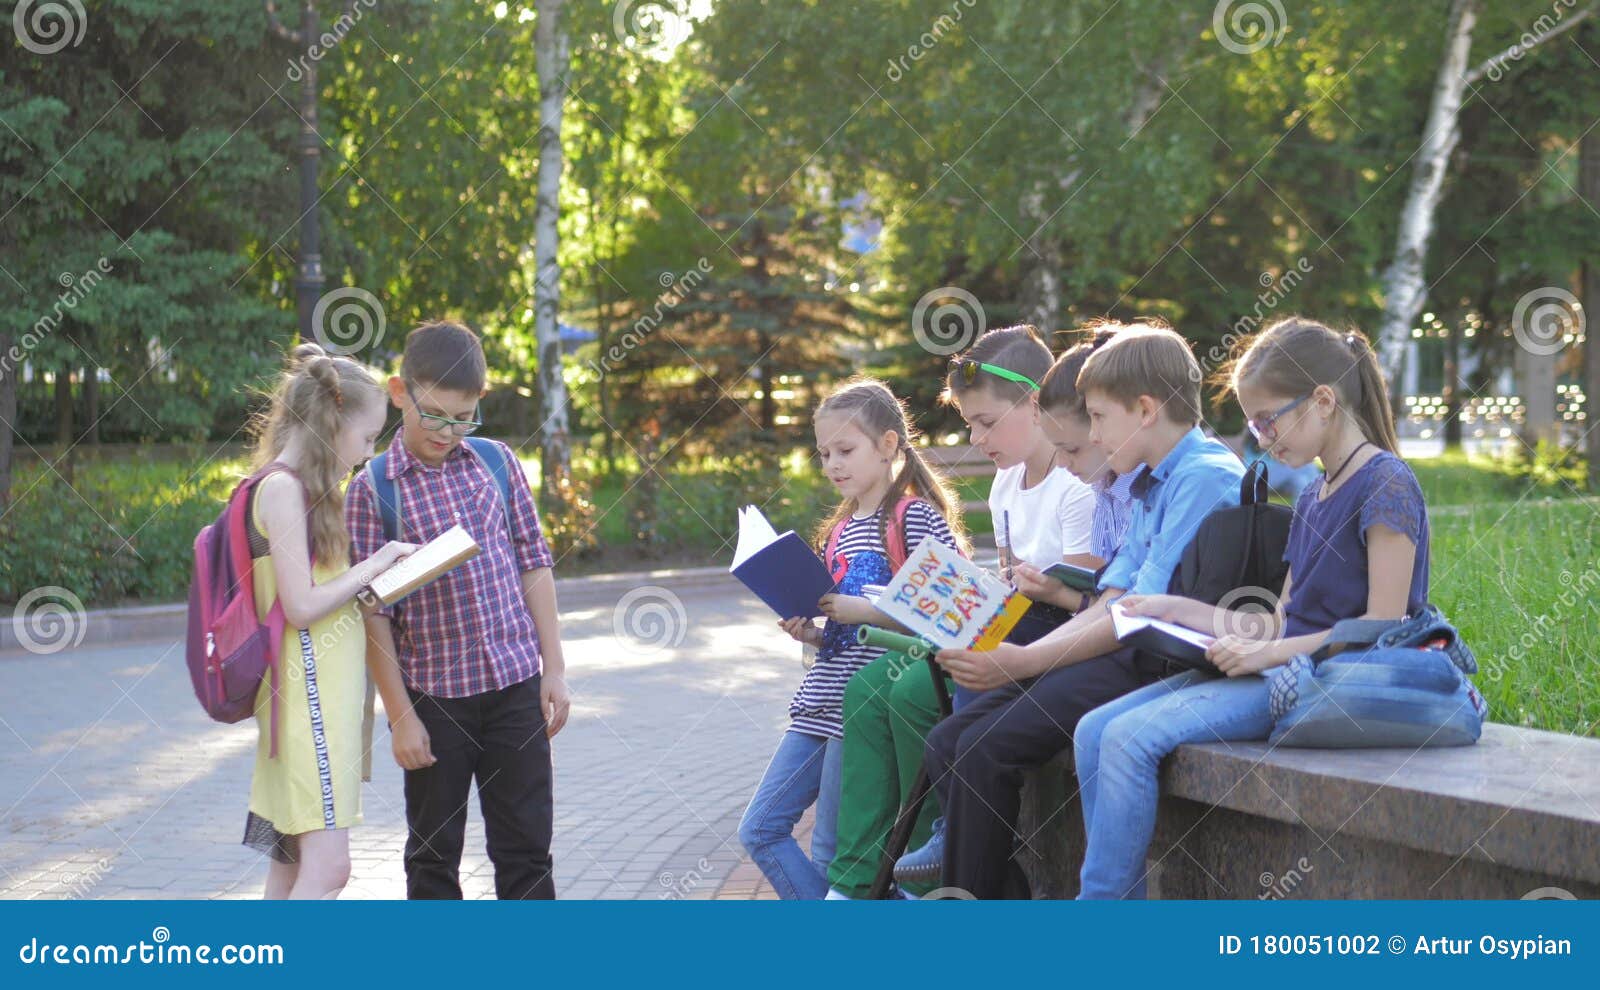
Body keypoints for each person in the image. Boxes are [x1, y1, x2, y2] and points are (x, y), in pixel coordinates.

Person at [1072, 317, 1427, 898]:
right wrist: (1176, 609)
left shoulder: (1386, 484)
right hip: (1285, 662)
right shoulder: (1314, 492)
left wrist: (1268, 652)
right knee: (1092, 731)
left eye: (1268, 418)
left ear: (1322, 400)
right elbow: (1280, 618)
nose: (1261, 437)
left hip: (1329, 679)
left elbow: (1382, 629)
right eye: (1252, 422)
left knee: (1130, 740)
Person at [924, 320, 1245, 898]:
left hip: (1159, 661)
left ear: (1144, 410)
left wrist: (1022, 662)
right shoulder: (1155, 478)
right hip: (1131, 649)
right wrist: (1024, 658)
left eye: (1096, 419)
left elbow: (1131, 614)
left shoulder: (1202, 476)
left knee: (980, 746)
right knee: (950, 741)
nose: (1092, 439)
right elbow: (1110, 601)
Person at [345, 320, 570, 899]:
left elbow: (534, 563)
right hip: (434, 700)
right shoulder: (373, 488)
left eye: (463, 417)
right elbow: (372, 614)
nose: (449, 431)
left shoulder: (497, 463)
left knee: (526, 851)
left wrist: (555, 668)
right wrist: (400, 717)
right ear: (400, 393)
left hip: (515, 686)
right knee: (433, 857)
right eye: (435, 415)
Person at [739, 376, 968, 899]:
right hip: (819, 699)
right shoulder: (838, 530)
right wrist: (813, 631)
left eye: (845, 449)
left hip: (864, 707)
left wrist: (864, 609)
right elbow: (846, 631)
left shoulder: (916, 519)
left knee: (835, 852)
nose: (832, 465)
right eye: (823, 454)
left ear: (888, 445)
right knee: (759, 829)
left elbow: (951, 615)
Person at [244, 342, 416, 899]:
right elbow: (301, 605)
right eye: (367, 438)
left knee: (292, 866)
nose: (369, 453)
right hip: (307, 700)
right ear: (332, 421)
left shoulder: (299, 489)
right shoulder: (283, 490)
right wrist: (376, 564)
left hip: (315, 699)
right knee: (330, 868)